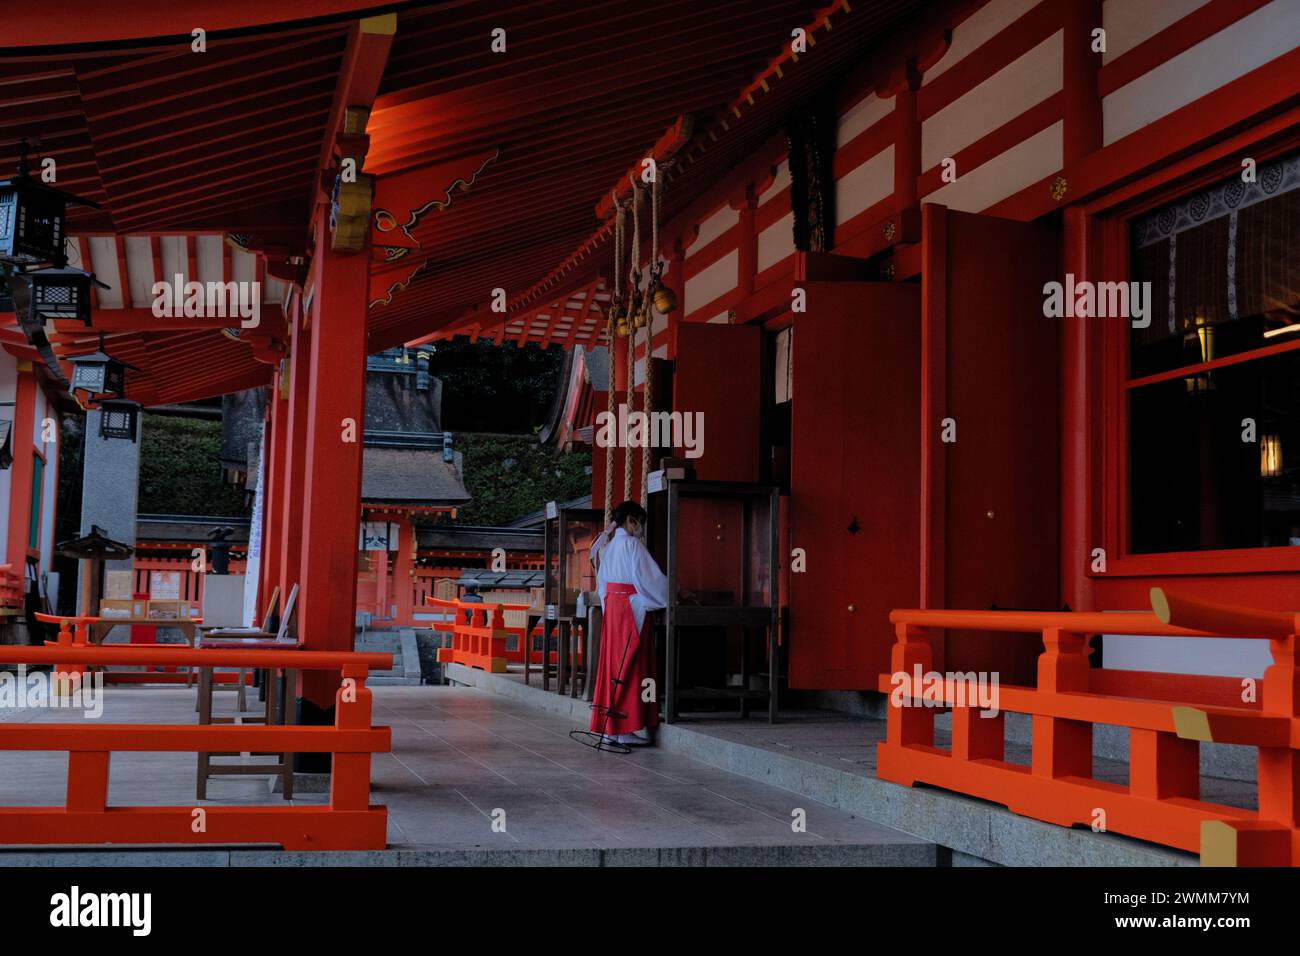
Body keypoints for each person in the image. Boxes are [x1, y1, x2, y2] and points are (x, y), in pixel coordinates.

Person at [587, 500, 667, 747]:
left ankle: (612, 729)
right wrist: (668, 595)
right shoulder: (632, 545)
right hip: (632, 608)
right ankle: (623, 727)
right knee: (633, 665)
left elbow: (602, 585)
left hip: (613, 607)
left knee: (614, 665)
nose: (641, 529)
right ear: (630, 520)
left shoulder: (609, 547)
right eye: (639, 522)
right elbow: (650, 580)